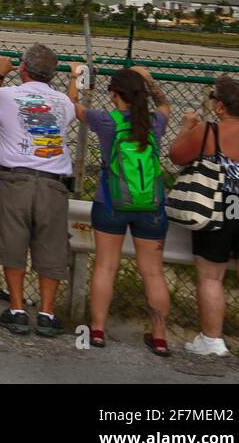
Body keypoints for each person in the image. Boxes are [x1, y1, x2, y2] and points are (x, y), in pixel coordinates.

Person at [170, 77, 239, 364]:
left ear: (219, 106)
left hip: (226, 203)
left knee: (211, 275)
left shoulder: (210, 130)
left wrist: (186, 128)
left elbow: (177, 156)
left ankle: (212, 340)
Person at [66, 64, 172, 354]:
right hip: (151, 205)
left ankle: (98, 330)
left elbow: (73, 107)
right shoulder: (155, 121)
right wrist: (150, 80)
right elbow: (165, 105)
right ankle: (160, 336)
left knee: (105, 266)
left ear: (113, 94)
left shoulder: (106, 120)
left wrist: (75, 77)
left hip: (110, 202)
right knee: (153, 272)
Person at [0, 45, 76, 338]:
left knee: (13, 241)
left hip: (16, 179)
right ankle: (47, 313)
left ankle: (17, 309)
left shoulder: (8, 95)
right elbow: (72, 105)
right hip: (53, 182)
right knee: (51, 244)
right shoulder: (63, 101)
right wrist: (74, 78)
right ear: (52, 73)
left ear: (23, 68)